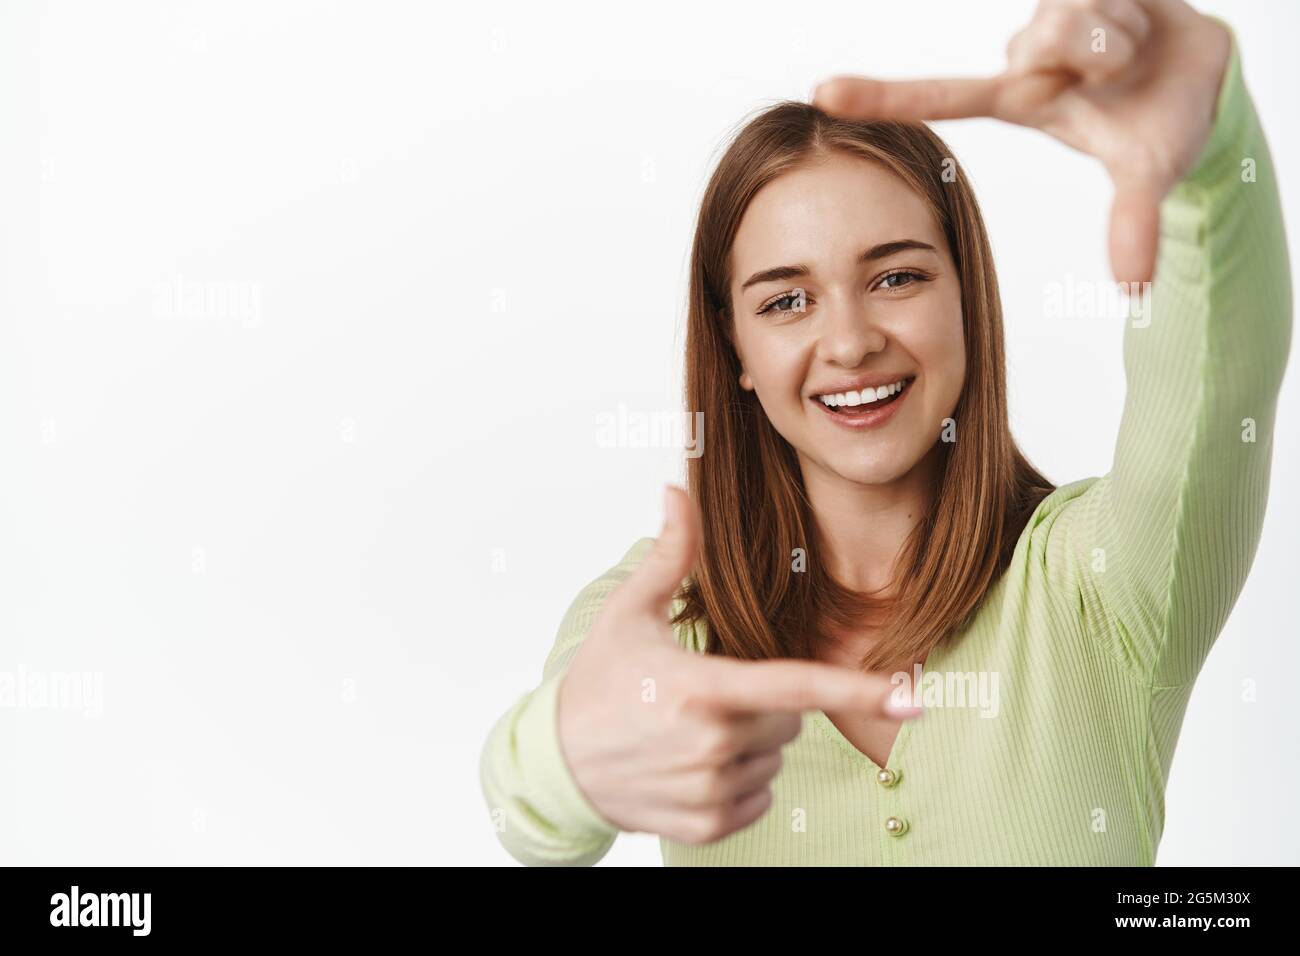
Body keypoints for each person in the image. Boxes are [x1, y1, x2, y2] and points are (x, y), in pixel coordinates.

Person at [481, 0, 1291, 866]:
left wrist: (1209, 162)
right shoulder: (665, 620)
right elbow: (528, 813)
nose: (851, 341)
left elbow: (1214, 373)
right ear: (736, 348)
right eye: (786, 300)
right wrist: (567, 760)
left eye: (897, 276)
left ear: (965, 297)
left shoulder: (1099, 590)